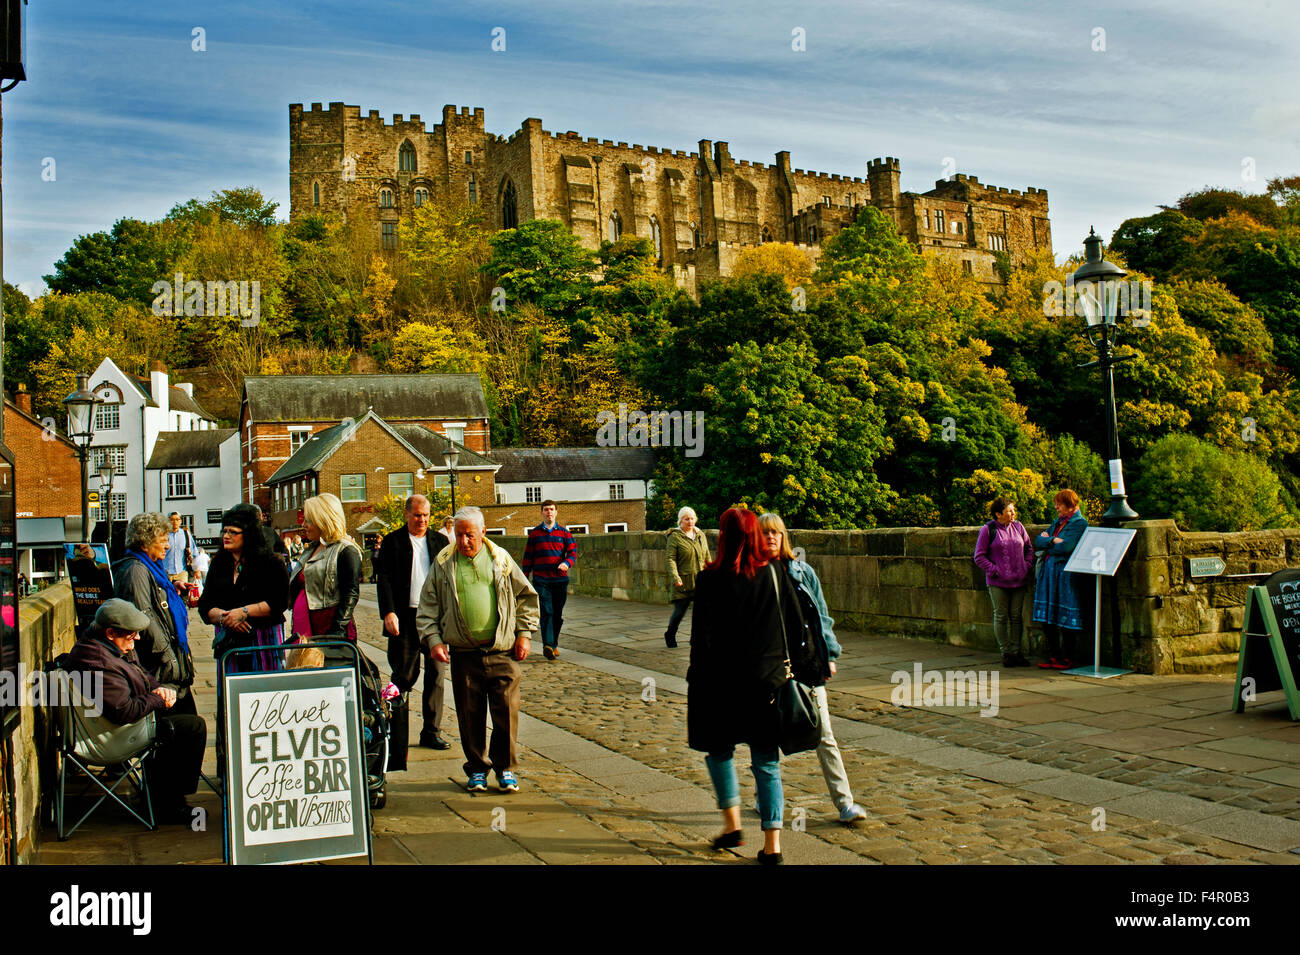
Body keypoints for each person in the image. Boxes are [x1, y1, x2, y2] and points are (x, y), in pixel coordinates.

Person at [688, 507, 799, 865]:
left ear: (722, 536)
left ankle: (732, 824)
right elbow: (794, 627)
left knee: (719, 753)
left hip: (720, 686)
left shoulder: (709, 579)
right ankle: (773, 846)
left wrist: (697, 679)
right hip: (765, 685)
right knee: (766, 763)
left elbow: (700, 641)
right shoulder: (774, 574)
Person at [417, 506, 538, 794]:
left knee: (506, 711)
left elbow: (526, 597)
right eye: (458, 535)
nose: (463, 541)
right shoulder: (444, 563)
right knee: (470, 714)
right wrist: (434, 640)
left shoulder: (501, 560)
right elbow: (427, 607)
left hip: (501, 651)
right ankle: (477, 769)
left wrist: (524, 634)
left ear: (483, 532)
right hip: (463, 653)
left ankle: (505, 768)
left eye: (469, 535)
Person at [758, 512, 868, 825]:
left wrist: (830, 654)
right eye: (765, 533)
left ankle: (845, 803)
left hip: (807, 666)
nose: (771, 538)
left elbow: (822, 616)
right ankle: (764, 799)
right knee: (768, 742)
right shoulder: (753, 575)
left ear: (784, 537)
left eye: (776, 533)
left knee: (825, 737)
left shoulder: (802, 571)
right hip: (772, 672)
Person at [67, 598, 207, 824]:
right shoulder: (100, 662)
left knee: (180, 708)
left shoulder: (106, 646)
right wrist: (156, 699)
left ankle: (158, 795)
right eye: (132, 635)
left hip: (119, 723)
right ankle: (168, 804)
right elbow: (124, 711)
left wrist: (158, 690)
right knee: (192, 727)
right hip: (115, 735)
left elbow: (141, 674)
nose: (138, 638)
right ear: (111, 632)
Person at [377, 493, 451, 762]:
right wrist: (388, 612)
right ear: (407, 514)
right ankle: (397, 732)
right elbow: (383, 579)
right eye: (417, 515)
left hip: (433, 618)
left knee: (436, 675)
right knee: (403, 675)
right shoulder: (393, 542)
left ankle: (431, 730)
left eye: (426, 515)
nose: (422, 520)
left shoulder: (440, 542)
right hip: (404, 618)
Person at [113, 512, 197, 716]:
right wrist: (171, 660)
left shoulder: (152, 569)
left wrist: (172, 588)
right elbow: (144, 618)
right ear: (145, 543)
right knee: (186, 730)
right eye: (162, 541)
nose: (167, 546)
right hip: (160, 673)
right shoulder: (135, 571)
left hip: (169, 672)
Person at [198, 503, 290, 674]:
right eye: (224, 531)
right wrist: (225, 617)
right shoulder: (219, 563)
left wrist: (243, 612)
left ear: (248, 535)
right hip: (229, 644)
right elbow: (205, 604)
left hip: (263, 641)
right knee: (232, 695)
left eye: (233, 532)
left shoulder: (272, 563)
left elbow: (279, 602)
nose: (226, 536)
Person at [287, 493, 363, 667]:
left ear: (324, 520)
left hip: (328, 627)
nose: (303, 525)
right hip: (306, 627)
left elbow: (350, 594)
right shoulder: (311, 549)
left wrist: (336, 632)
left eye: (309, 520)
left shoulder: (346, 550)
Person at [973, 497, 1035, 668]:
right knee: (1000, 616)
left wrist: (1026, 565)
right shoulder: (988, 530)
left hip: (1019, 580)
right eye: (1009, 510)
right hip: (998, 582)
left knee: (1016, 617)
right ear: (998, 514)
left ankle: (1017, 652)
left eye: (1013, 510)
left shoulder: (1019, 527)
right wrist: (995, 570)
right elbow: (979, 556)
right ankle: (1006, 653)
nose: (1013, 513)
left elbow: (1029, 549)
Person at [1032, 489, 1089, 669]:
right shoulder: (1057, 522)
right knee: (1047, 615)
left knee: (1065, 614)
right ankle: (1054, 655)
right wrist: (1053, 542)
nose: (1056, 507)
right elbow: (1037, 541)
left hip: (1066, 575)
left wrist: (1050, 541)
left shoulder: (1079, 524)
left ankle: (1067, 657)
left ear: (1070, 505)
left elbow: (1067, 547)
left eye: (1059, 504)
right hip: (1048, 573)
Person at [520, 500, 577, 660]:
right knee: (547, 611)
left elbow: (572, 552)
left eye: (552, 509)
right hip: (541, 579)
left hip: (559, 580)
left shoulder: (565, 534)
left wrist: (566, 563)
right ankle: (548, 645)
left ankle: (554, 644)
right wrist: (524, 577)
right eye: (546, 510)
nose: (549, 512)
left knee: (557, 614)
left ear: (556, 512)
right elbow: (528, 557)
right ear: (541, 513)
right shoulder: (535, 534)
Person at [664, 506, 709, 648]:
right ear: (680, 521)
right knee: (679, 612)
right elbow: (670, 559)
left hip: (700, 580)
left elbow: (707, 555)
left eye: (692, 518)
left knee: (702, 613)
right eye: (686, 519)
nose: (690, 521)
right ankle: (670, 634)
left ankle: (697, 638)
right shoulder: (675, 536)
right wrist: (675, 577)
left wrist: (712, 573)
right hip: (683, 581)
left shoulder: (700, 534)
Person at [163, 512, 195, 586]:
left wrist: (197, 569)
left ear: (181, 521)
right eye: (172, 520)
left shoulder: (186, 534)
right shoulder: (163, 534)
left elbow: (194, 552)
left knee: (182, 596)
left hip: (182, 572)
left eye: (177, 519)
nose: (175, 522)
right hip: (166, 573)